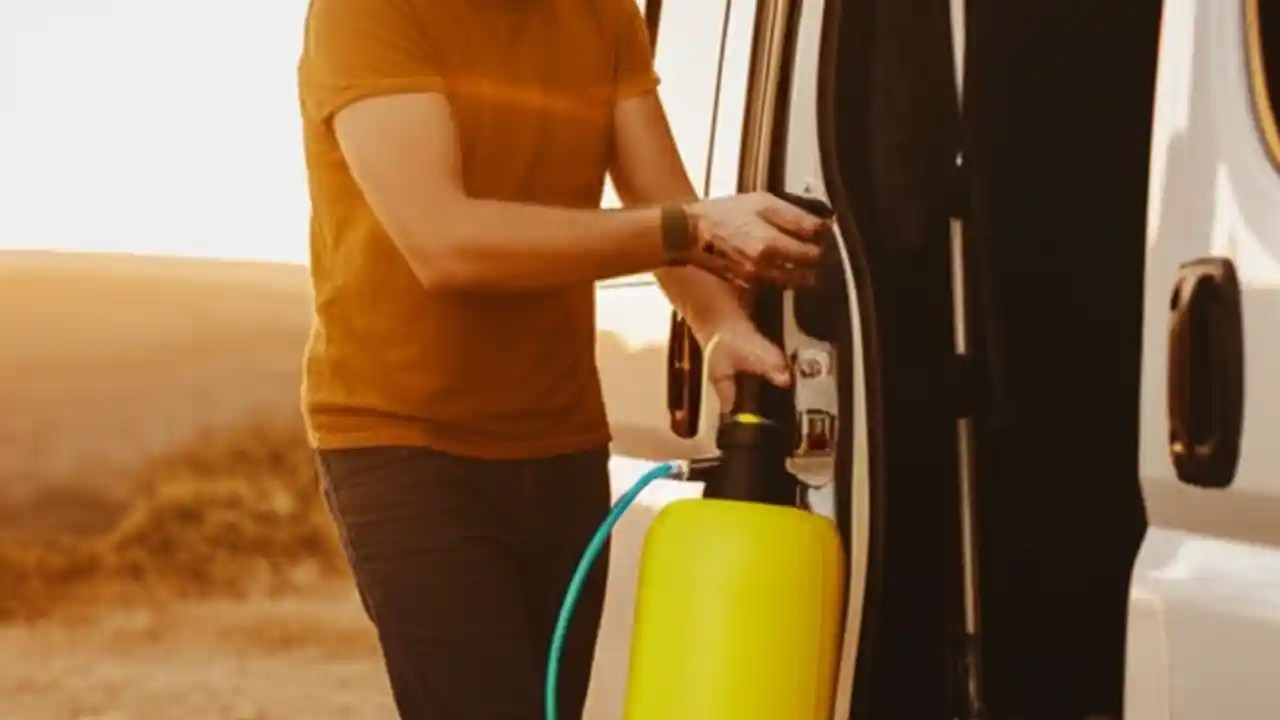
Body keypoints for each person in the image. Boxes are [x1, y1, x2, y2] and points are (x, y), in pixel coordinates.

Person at [296, 0, 830, 716]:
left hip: (562, 439)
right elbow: (445, 243)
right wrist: (691, 227)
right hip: (403, 445)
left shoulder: (603, 14)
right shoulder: (367, 12)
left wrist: (718, 323)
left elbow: (660, 198)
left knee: (547, 707)